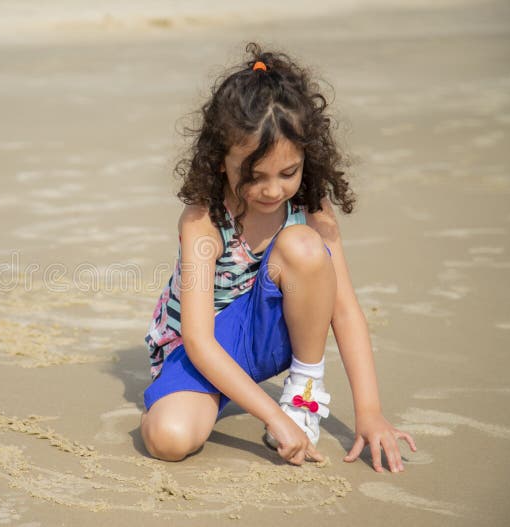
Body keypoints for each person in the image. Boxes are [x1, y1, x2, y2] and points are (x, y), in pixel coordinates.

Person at [140, 43, 416, 472]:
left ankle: (304, 392)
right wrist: (272, 417)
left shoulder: (311, 209)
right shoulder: (203, 221)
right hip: (206, 347)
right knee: (168, 440)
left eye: (288, 173)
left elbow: (344, 311)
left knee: (304, 245)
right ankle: (221, 399)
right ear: (220, 161)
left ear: (308, 156)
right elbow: (198, 340)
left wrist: (370, 412)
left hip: (275, 336)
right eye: (254, 176)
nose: (272, 190)